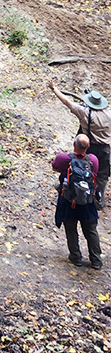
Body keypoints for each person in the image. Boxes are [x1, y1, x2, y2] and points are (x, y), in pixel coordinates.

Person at [48, 79, 111, 207]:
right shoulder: (109, 113)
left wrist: (53, 88)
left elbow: (67, 102)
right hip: (105, 148)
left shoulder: (84, 113)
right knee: (102, 175)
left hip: (89, 147)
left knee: (78, 167)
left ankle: (72, 190)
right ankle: (97, 199)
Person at [52, 134, 102, 269]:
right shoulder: (93, 160)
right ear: (88, 147)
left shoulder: (64, 159)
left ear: (74, 144)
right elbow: (95, 174)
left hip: (69, 200)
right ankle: (96, 260)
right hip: (87, 201)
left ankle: (76, 257)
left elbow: (54, 166)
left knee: (71, 229)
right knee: (91, 230)